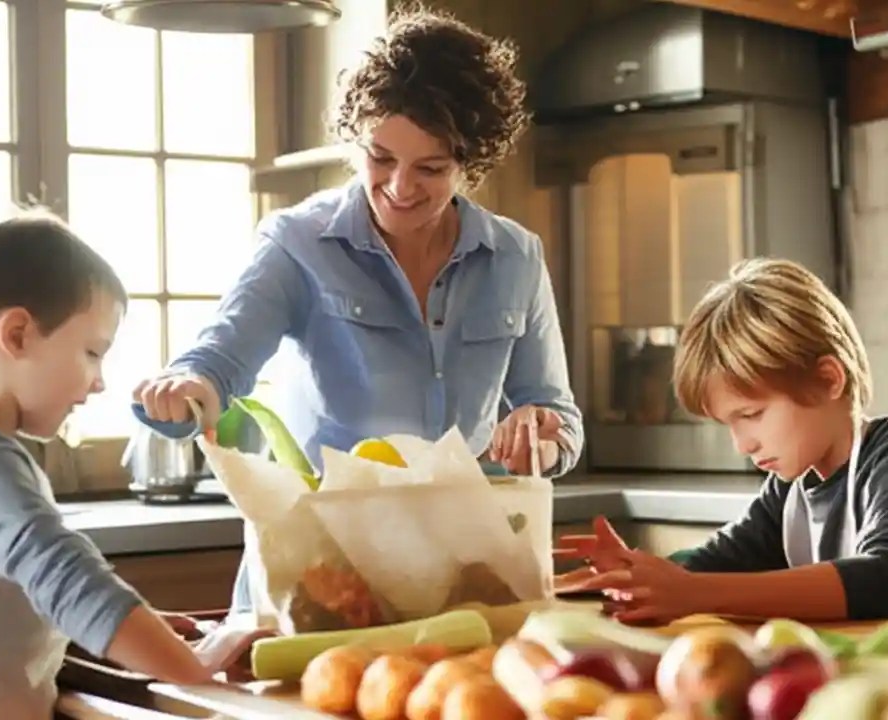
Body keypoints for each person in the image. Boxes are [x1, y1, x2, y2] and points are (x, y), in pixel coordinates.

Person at [133, 9, 583, 611]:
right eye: (380, 158)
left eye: (430, 168)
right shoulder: (295, 244)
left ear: (470, 161)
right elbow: (217, 360)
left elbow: (557, 417)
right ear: (354, 140)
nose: (400, 186)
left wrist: (542, 438)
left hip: (459, 581)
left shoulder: (516, 258)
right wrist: (184, 392)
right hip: (318, 576)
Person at [0, 212, 265, 719]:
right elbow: (69, 580)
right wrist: (192, 665)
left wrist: (148, 626)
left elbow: (33, 597)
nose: (98, 381)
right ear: (16, 335)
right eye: (92, 352)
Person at [556, 258, 888, 624]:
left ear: (828, 380)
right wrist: (643, 574)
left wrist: (695, 593)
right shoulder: (791, 487)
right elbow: (722, 560)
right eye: (729, 423)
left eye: (752, 415)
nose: (742, 445)